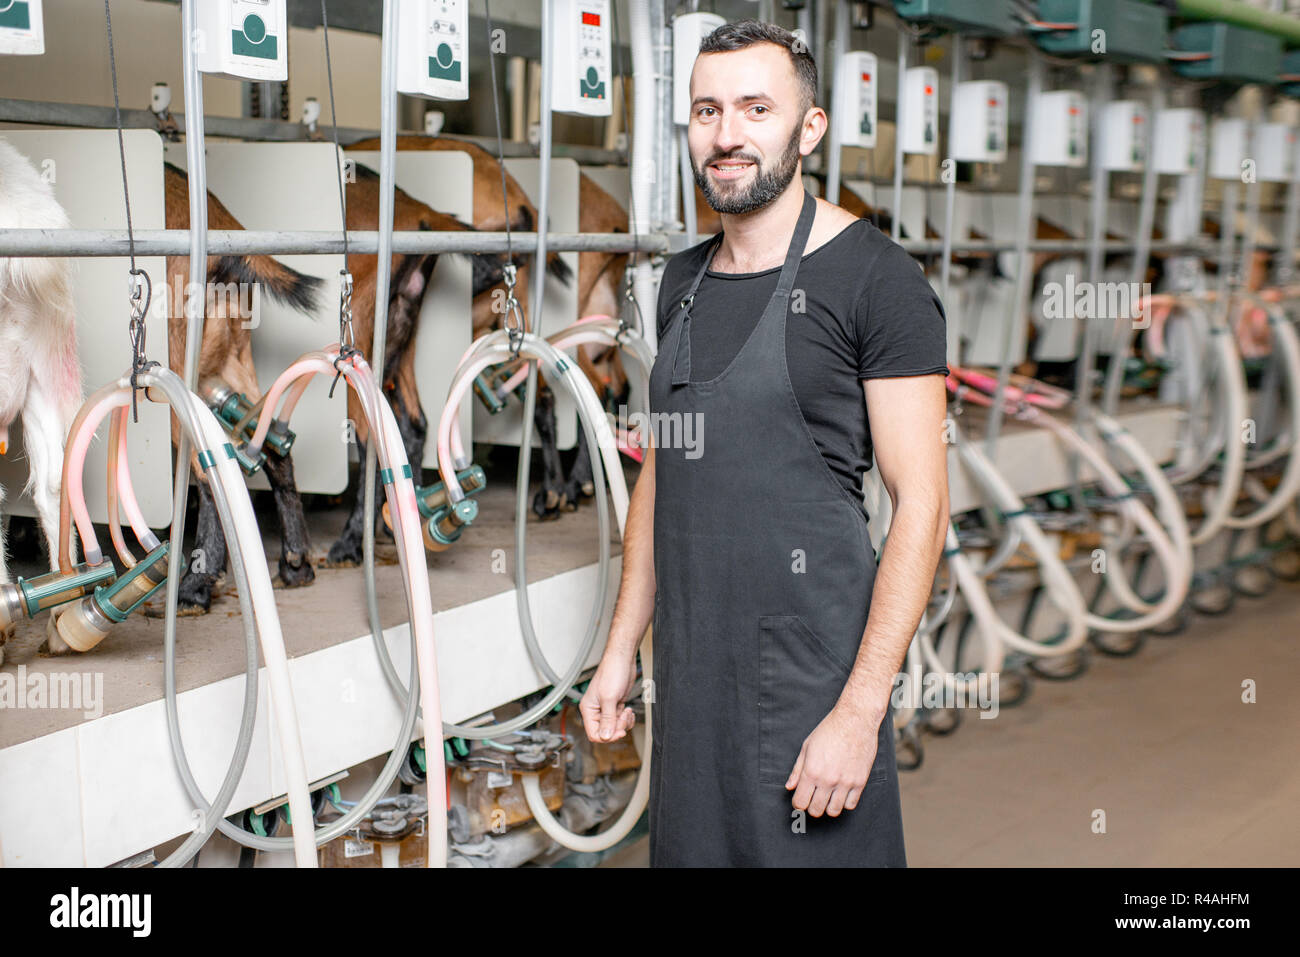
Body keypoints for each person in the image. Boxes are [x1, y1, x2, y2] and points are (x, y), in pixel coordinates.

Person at [579, 18, 950, 867]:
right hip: (693, 685)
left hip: (813, 693)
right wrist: (618, 655)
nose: (728, 134)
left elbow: (924, 505)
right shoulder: (681, 280)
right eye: (708, 111)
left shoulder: (876, 281)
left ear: (808, 128)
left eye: (756, 107)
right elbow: (660, 481)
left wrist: (859, 713)